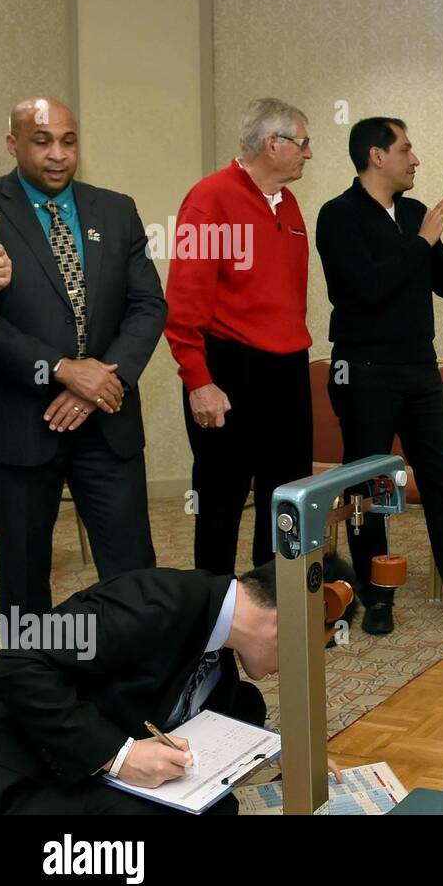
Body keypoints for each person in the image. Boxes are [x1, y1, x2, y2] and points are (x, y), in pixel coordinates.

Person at [316, 117, 443, 629]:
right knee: (369, 490)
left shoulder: (417, 213)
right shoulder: (337, 216)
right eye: (406, 149)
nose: (415, 159)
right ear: (377, 156)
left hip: (420, 369)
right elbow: (363, 290)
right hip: (363, 371)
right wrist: (423, 243)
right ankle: (378, 598)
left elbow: (441, 286)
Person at [0, 554, 351, 814]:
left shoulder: (218, 633)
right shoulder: (149, 599)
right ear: (286, 625)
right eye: (309, 652)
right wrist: (118, 755)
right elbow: (18, 658)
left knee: (245, 707)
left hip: (110, 735)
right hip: (29, 764)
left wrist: (277, 748)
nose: (295, 668)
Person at [0, 97, 166, 618]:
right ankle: (29, 693)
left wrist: (100, 381)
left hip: (107, 421)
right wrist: (63, 369)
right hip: (22, 426)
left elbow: (148, 305)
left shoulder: (116, 209)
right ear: (13, 144)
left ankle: (138, 692)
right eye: (42, 141)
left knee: (134, 573)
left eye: (68, 141)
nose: (57, 155)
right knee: (24, 584)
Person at [164, 98, 315, 577]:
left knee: (286, 502)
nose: (308, 153)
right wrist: (198, 381)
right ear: (273, 144)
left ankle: (274, 616)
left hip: (287, 368)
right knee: (221, 505)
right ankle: (214, 632)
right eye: (303, 142)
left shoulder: (289, 205)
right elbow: (182, 306)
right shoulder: (210, 199)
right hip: (227, 369)